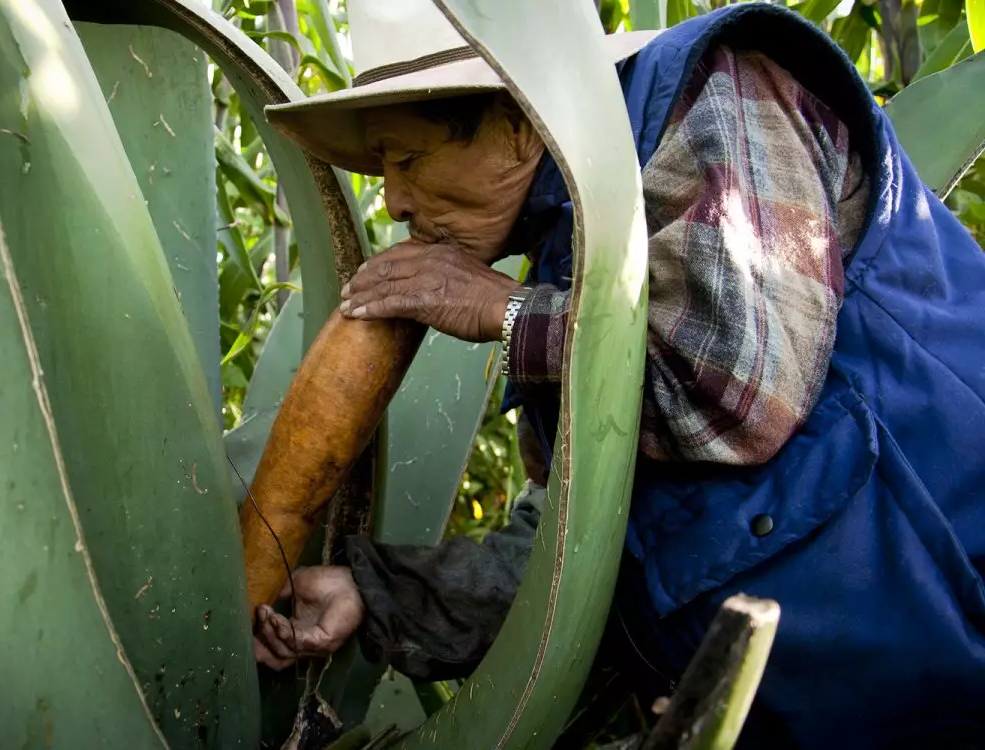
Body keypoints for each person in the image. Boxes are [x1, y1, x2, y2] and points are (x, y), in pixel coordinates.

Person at [253, 1, 985, 746]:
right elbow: (583, 547)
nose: (395, 200)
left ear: (518, 121)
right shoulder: (570, 251)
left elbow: (738, 397)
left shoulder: (718, 97)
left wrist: (508, 313)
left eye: (406, 159)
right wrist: (378, 599)